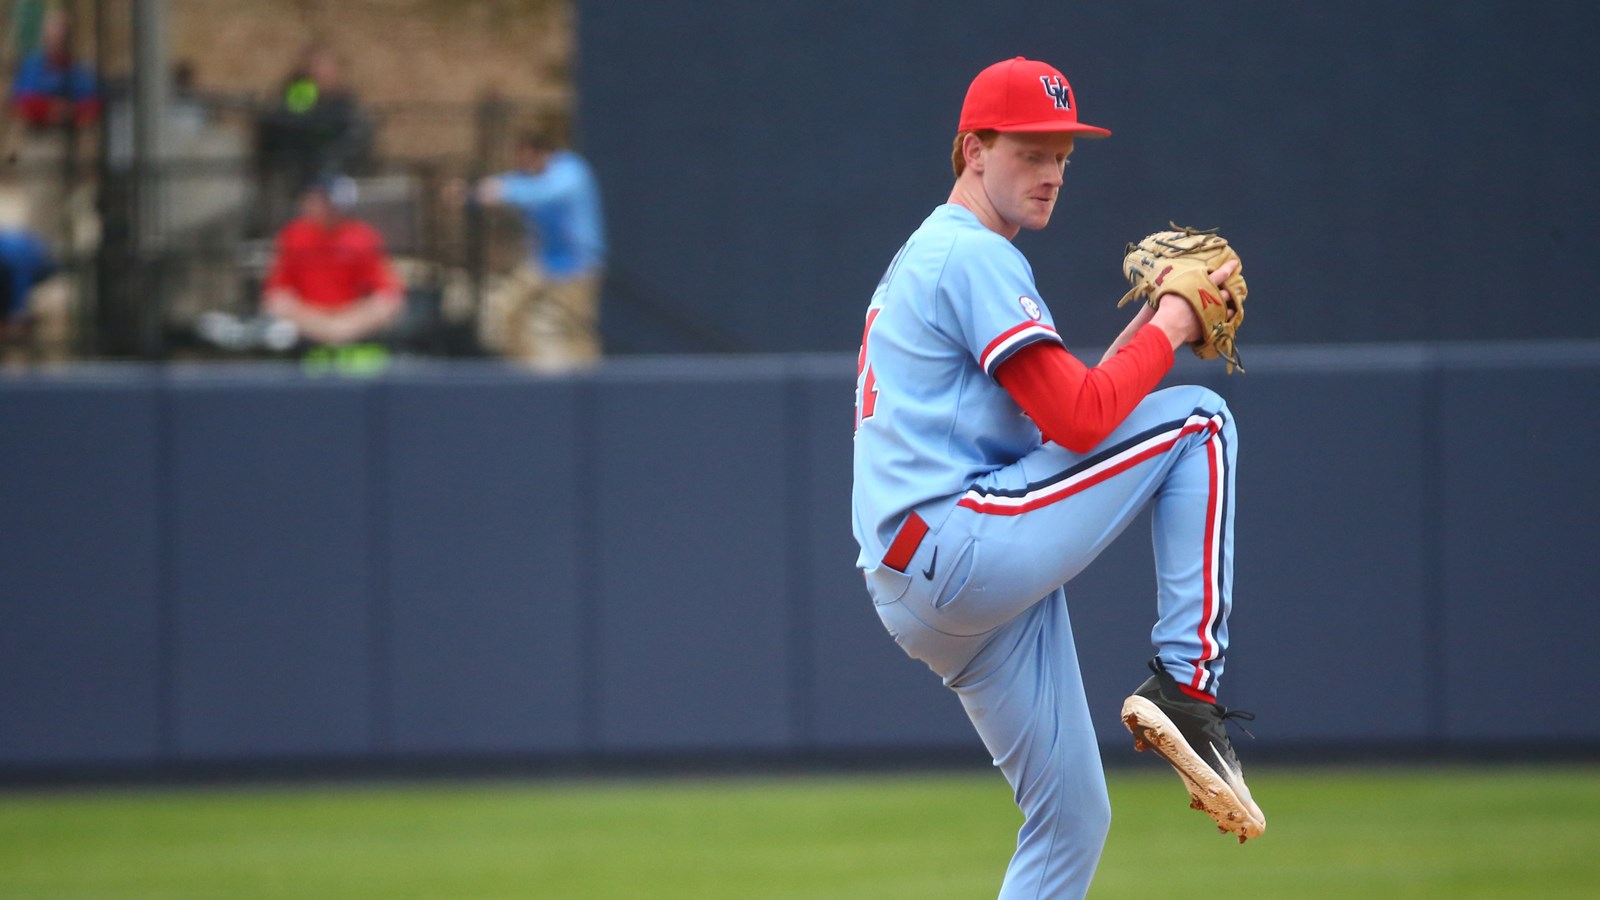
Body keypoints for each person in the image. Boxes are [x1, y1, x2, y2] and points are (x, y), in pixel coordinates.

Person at [851, 57, 1264, 899]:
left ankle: (1183, 697)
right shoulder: (971, 255)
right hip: (962, 540)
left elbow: (1070, 417)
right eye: (1030, 152)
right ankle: (1189, 688)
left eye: (1063, 156)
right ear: (973, 148)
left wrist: (1151, 327)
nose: (1051, 175)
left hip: (930, 577)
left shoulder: (937, 254)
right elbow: (1080, 424)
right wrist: (1177, 322)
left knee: (1073, 817)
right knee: (1200, 421)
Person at [467, 130, 605, 369]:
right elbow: (512, 184)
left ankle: (589, 386)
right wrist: (474, 193)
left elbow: (545, 193)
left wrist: (503, 192)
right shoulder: (531, 177)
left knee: (571, 330)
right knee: (505, 310)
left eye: (524, 158)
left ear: (538, 153)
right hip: (544, 263)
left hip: (577, 266)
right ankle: (531, 376)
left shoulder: (570, 171)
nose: (521, 165)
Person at [254, 177, 403, 356]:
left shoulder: (362, 237)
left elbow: (387, 294)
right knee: (278, 304)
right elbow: (276, 293)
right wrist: (322, 327)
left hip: (352, 326)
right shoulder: (293, 236)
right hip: (306, 327)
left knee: (384, 307)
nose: (314, 205)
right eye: (311, 199)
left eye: (321, 200)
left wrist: (344, 327)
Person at [8, 7, 100, 132]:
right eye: (52, 38)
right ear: (45, 39)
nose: (56, 44)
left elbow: (91, 103)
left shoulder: (77, 69)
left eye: (62, 39)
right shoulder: (32, 65)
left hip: (70, 133)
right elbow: (21, 102)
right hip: (37, 133)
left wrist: (70, 111)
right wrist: (50, 109)